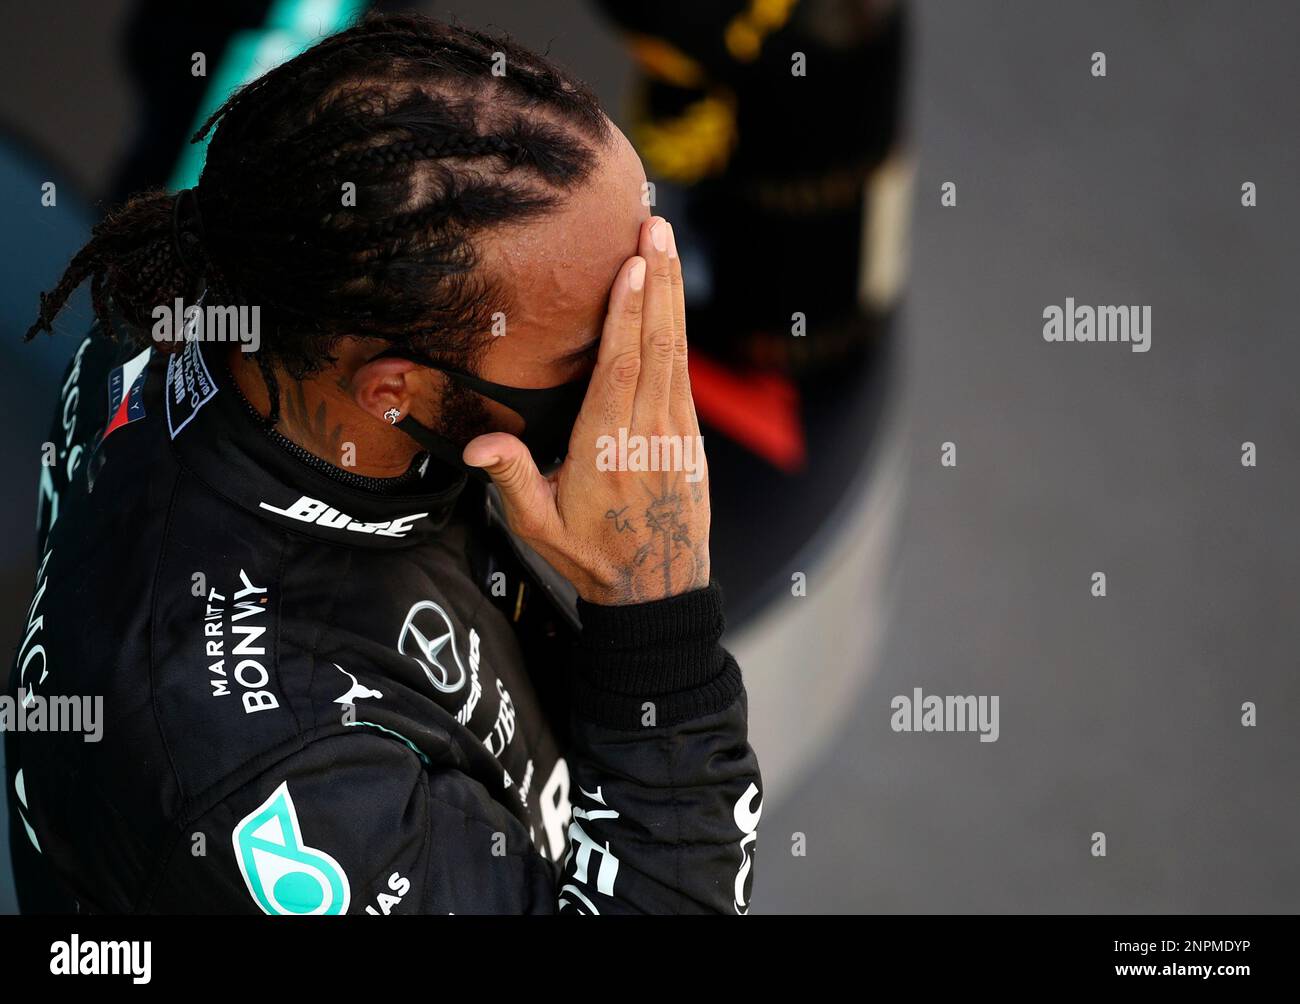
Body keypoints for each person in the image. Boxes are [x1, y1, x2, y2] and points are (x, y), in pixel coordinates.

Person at [8, 12, 761, 915]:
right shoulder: (265, 775)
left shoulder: (216, 288)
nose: (644, 367)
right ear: (393, 390)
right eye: (593, 349)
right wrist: (658, 627)